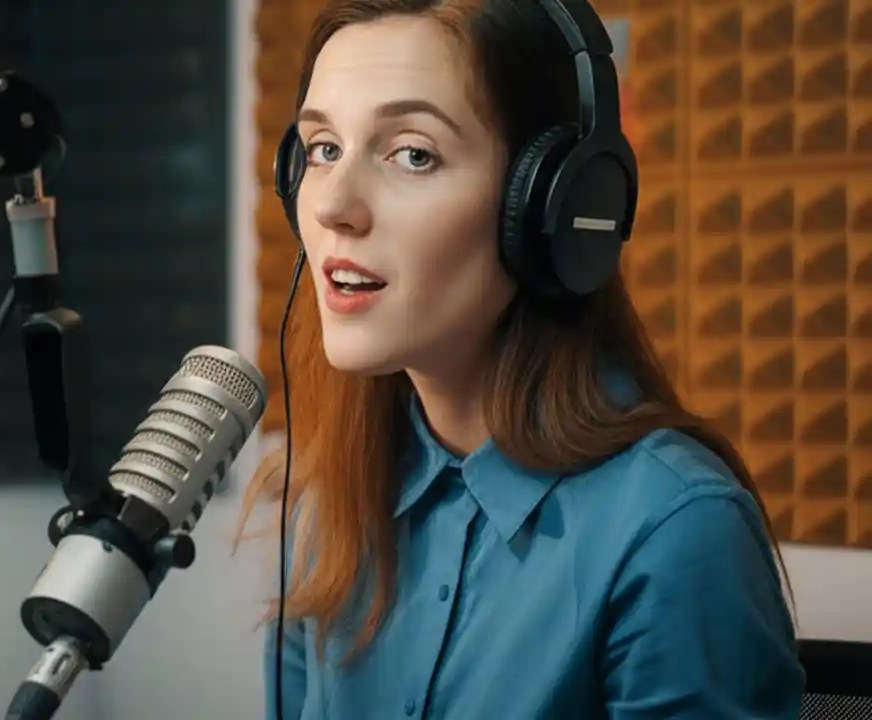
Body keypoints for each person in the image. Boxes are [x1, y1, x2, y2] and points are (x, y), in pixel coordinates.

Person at [235, 1, 806, 718]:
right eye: (323, 150)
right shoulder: (324, 510)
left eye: (413, 154)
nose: (332, 207)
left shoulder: (675, 530)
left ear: (549, 206)